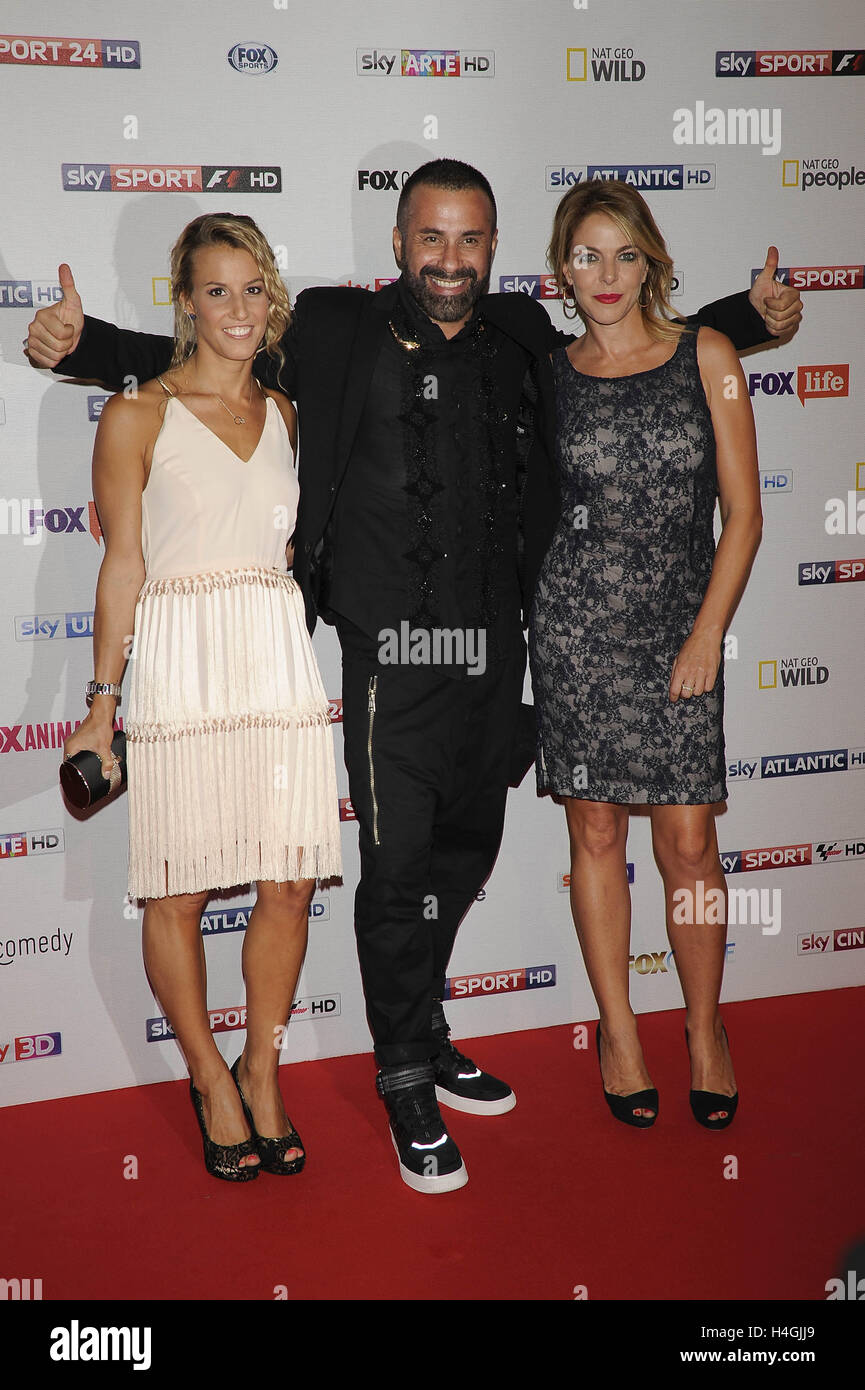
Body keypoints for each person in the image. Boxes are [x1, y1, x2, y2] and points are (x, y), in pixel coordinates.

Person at [28, 160, 801, 1190]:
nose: (450, 258)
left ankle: (425, 1027)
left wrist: (743, 319)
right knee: (393, 872)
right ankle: (401, 1076)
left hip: (503, 646)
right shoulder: (338, 330)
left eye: (470, 239)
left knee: (463, 848)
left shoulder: (524, 336)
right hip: (390, 657)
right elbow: (209, 346)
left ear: (493, 248)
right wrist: (83, 348)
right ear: (399, 244)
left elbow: (627, 337)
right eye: (430, 238)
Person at [61, 213, 341, 1181]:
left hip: (273, 657)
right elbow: (122, 566)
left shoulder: (289, 414)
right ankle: (207, 1078)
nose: (235, 309)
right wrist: (103, 702)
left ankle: (261, 1067)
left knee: (289, 880)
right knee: (175, 892)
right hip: (181, 661)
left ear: (273, 300)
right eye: (214, 290)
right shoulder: (136, 414)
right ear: (183, 300)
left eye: (251, 289)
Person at [529, 179, 763, 1130]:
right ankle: (617, 1029)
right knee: (592, 836)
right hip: (575, 629)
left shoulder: (707, 354)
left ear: (653, 260)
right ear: (560, 271)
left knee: (689, 844)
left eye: (624, 254)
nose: (607, 275)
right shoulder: (545, 375)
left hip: (680, 629)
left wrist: (706, 631)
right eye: (587, 256)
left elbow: (743, 515)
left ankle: (704, 1027)